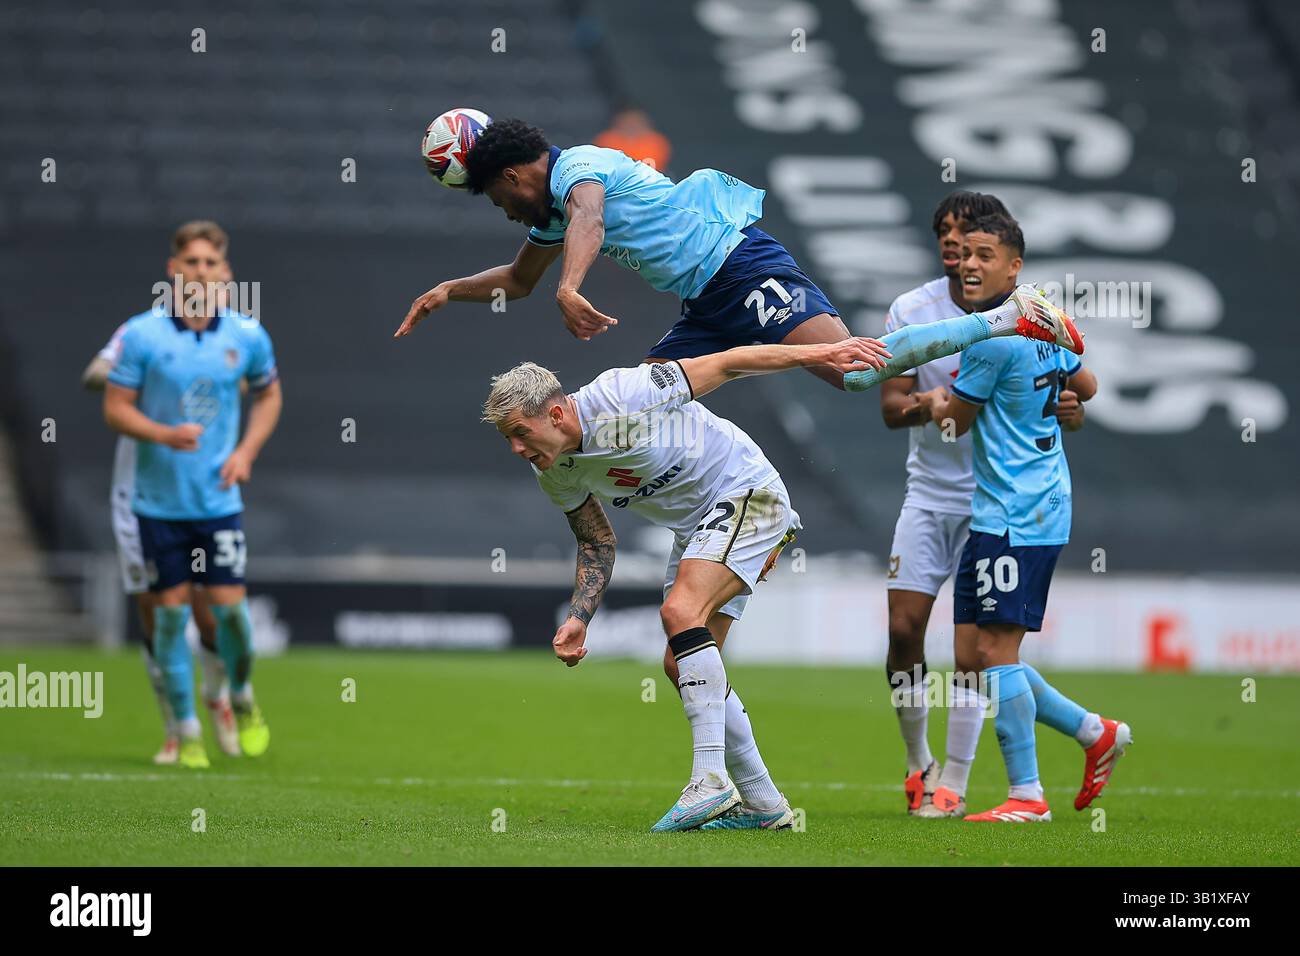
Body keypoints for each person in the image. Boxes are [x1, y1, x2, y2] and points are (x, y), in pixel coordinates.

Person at [878, 191, 1088, 818]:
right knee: (902, 629)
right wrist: (933, 405)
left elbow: (1073, 390)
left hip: (995, 500)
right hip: (930, 492)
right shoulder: (912, 310)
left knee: (974, 652)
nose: (955, 243)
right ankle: (920, 762)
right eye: (946, 232)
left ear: (1002, 253)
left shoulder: (1028, 314)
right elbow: (893, 408)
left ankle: (957, 785)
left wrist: (1069, 408)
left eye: (969, 235)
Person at [921, 214, 1130, 822]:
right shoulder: (1045, 318)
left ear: (1015, 266)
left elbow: (953, 423)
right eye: (966, 256)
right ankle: (1093, 732)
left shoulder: (991, 338)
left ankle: (1027, 795)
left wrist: (934, 401)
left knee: (997, 651)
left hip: (1019, 511)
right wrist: (1061, 401)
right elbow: (1086, 384)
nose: (971, 265)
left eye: (987, 255)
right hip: (1009, 507)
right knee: (980, 651)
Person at [102, 220, 282, 769]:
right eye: (191, 263)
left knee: (230, 620)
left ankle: (239, 697)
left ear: (226, 273)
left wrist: (246, 451)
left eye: (211, 264)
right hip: (156, 504)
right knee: (170, 621)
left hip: (217, 503)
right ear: (173, 270)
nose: (201, 272)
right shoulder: (141, 334)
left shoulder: (246, 336)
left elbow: (269, 397)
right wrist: (162, 433)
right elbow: (115, 406)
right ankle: (185, 733)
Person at [82, 266, 241, 764]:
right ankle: (177, 725)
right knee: (155, 613)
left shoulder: (233, 335)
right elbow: (92, 374)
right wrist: (138, 374)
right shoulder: (141, 333)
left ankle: (218, 698)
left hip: (204, 491)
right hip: (143, 495)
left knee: (210, 614)